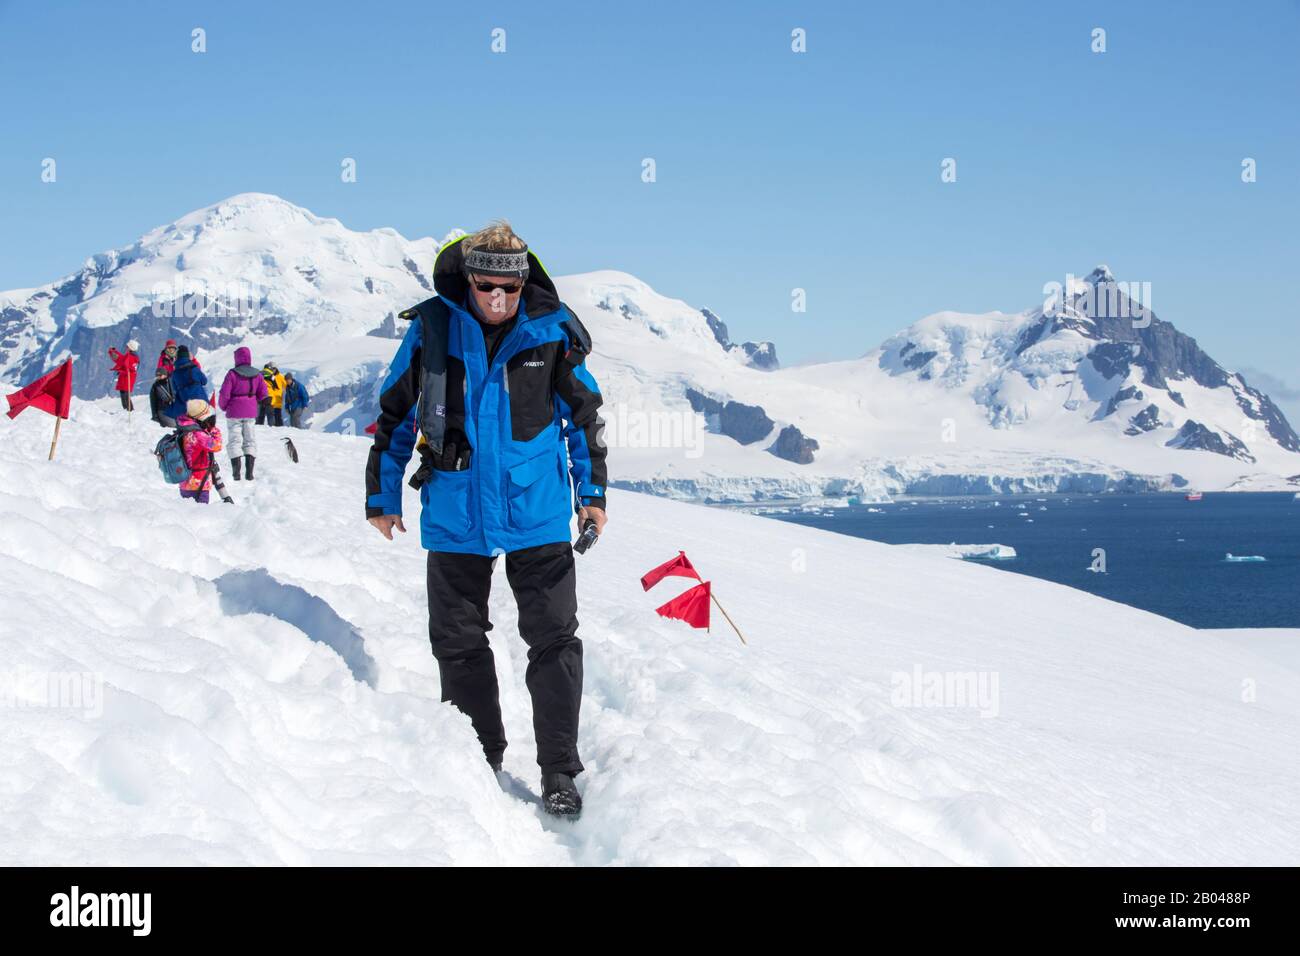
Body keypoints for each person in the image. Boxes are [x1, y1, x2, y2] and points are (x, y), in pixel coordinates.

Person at [365, 221, 608, 817]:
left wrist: (592, 493)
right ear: (467, 279)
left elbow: (583, 419)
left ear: (523, 282)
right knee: (457, 639)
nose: (497, 299)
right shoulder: (432, 328)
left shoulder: (552, 331)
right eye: (484, 286)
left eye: (508, 287)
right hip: (455, 508)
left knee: (553, 639)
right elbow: (394, 413)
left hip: (537, 510)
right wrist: (382, 494)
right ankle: (480, 758)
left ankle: (558, 770)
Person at [218, 346, 269, 481]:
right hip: (251, 411)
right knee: (250, 439)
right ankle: (249, 473)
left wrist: (223, 407)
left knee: (235, 440)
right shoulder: (257, 374)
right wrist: (260, 400)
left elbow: (224, 393)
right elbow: (263, 392)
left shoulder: (232, 374)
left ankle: (236, 474)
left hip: (234, 411)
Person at [176, 399, 223, 504]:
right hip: (198, 482)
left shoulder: (185, 428)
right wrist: (214, 430)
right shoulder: (197, 434)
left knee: (187, 512)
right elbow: (216, 446)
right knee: (200, 514)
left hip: (185, 482)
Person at [162, 345, 209, 423]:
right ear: (187, 356)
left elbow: (174, 389)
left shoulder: (175, 373)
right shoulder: (194, 368)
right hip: (201, 402)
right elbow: (204, 381)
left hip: (186, 405)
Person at [108, 341, 140, 411]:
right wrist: (113, 352)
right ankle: (127, 409)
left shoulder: (133, 357)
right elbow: (121, 360)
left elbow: (129, 367)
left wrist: (121, 369)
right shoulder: (130, 356)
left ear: (131, 348)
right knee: (123, 393)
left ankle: (129, 410)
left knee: (125, 394)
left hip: (127, 378)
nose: (126, 347)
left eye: (127, 346)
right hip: (125, 378)